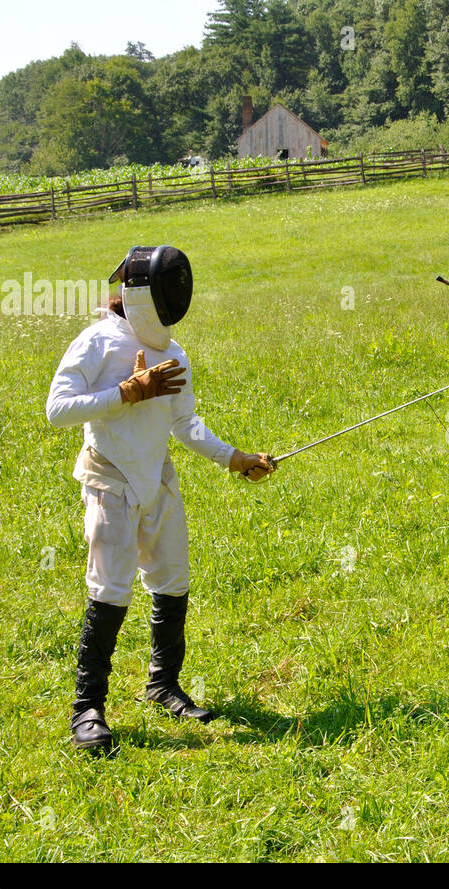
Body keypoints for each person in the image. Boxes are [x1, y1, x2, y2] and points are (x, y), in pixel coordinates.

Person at [46, 245, 275, 753]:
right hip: (110, 479)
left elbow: (183, 423)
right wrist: (125, 394)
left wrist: (233, 458)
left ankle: (162, 684)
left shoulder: (175, 354)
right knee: (110, 590)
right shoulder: (97, 342)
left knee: (173, 582)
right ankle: (87, 710)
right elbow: (57, 409)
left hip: (158, 479)